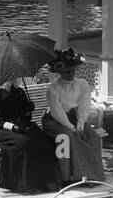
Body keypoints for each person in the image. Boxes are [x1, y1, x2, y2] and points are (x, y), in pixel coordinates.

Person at [43, 48, 104, 183]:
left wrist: (80, 125)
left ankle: (93, 173)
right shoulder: (53, 88)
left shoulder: (82, 84)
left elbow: (84, 105)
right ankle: (74, 175)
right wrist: (72, 128)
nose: (70, 74)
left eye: (72, 71)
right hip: (54, 120)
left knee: (93, 136)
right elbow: (57, 111)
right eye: (66, 72)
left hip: (74, 118)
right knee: (70, 136)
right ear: (60, 72)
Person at [0, 79, 55, 193]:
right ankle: (21, 184)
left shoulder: (19, 92)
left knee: (43, 139)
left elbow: (24, 116)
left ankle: (42, 180)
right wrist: (12, 127)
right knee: (23, 141)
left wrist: (28, 109)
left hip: (19, 127)